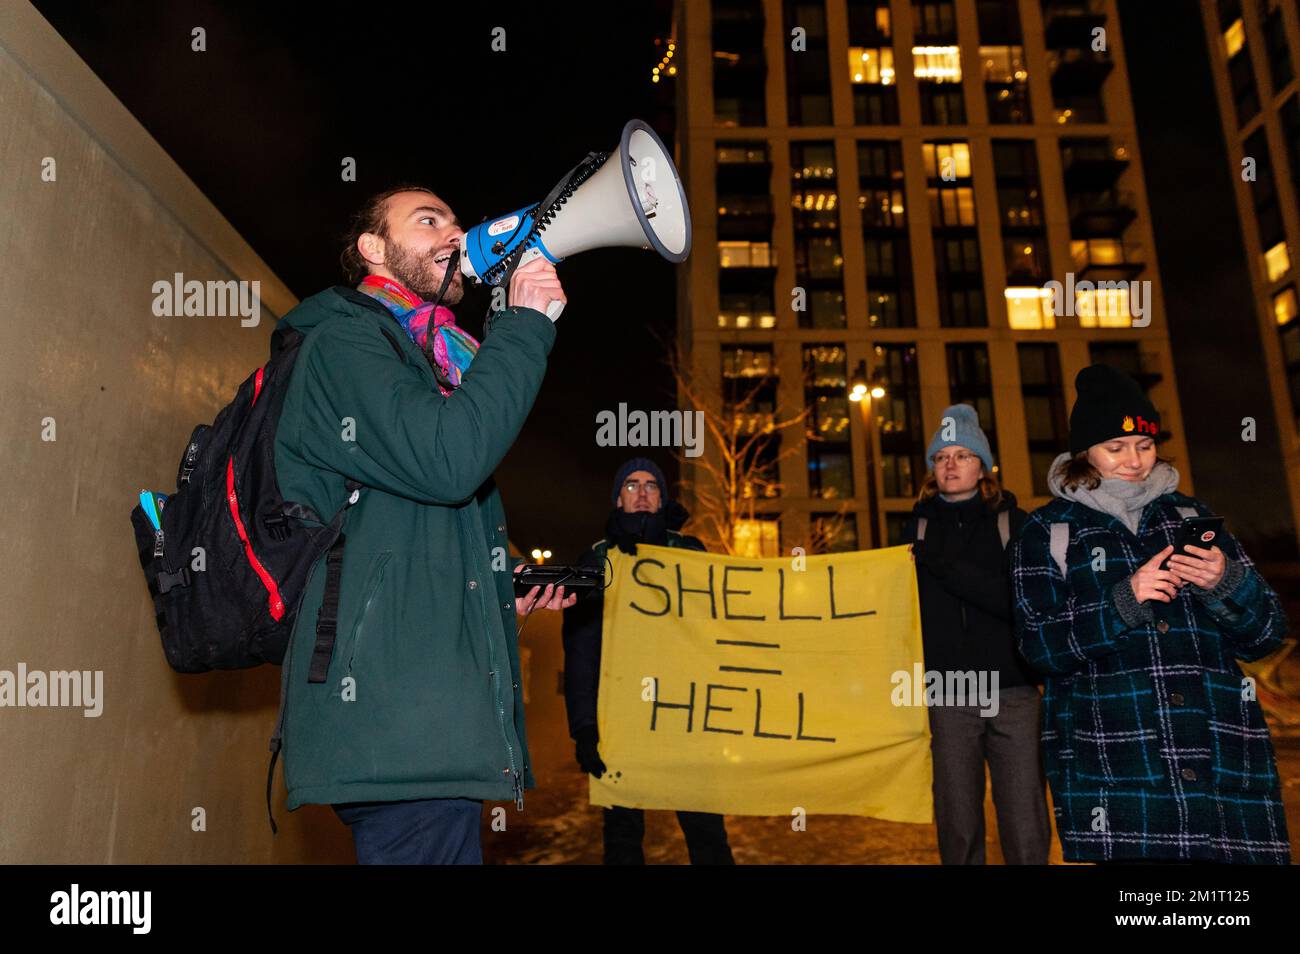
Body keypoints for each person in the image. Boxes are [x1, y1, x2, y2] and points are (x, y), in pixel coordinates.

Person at [271, 184, 574, 864]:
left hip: (421, 720)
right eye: (429, 220)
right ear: (371, 249)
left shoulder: (426, 359)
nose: (454, 236)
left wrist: (503, 582)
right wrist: (523, 326)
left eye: (457, 223)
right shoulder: (345, 341)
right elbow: (448, 460)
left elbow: (417, 514)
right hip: (392, 717)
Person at [1011, 364, 1292, 864]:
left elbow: (1267, 633)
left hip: (1220, 756)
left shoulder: (1191, 517)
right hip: (1117, 762)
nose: (1134, 461)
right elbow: (1040, 646)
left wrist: (1225, 583)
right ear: (1085, 453)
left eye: (1144, 445)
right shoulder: (1049, 530)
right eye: (1115, 448)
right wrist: (1124, 600)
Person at [561, 457, 736, 864]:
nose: (641, 493)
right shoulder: (597, 562)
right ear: (618, 498)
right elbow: (582, 653)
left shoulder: (692, 554)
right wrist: (585, 728)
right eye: (631, 485)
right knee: (622, 841)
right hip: (622, 722)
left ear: (661, 498)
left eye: (651, 486)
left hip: (686, 721)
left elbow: (717, 637)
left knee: (708, 837)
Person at [903, 404, 1051, 865]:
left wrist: (946, 569)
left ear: (983, 467)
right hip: (948, 694)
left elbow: (1019, 601)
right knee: (957, 825)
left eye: (963, 455)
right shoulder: (915, 528)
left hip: (1014, 692)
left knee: (1025, 823)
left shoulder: (1016, 525)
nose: (950, 464)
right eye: (941, 456)